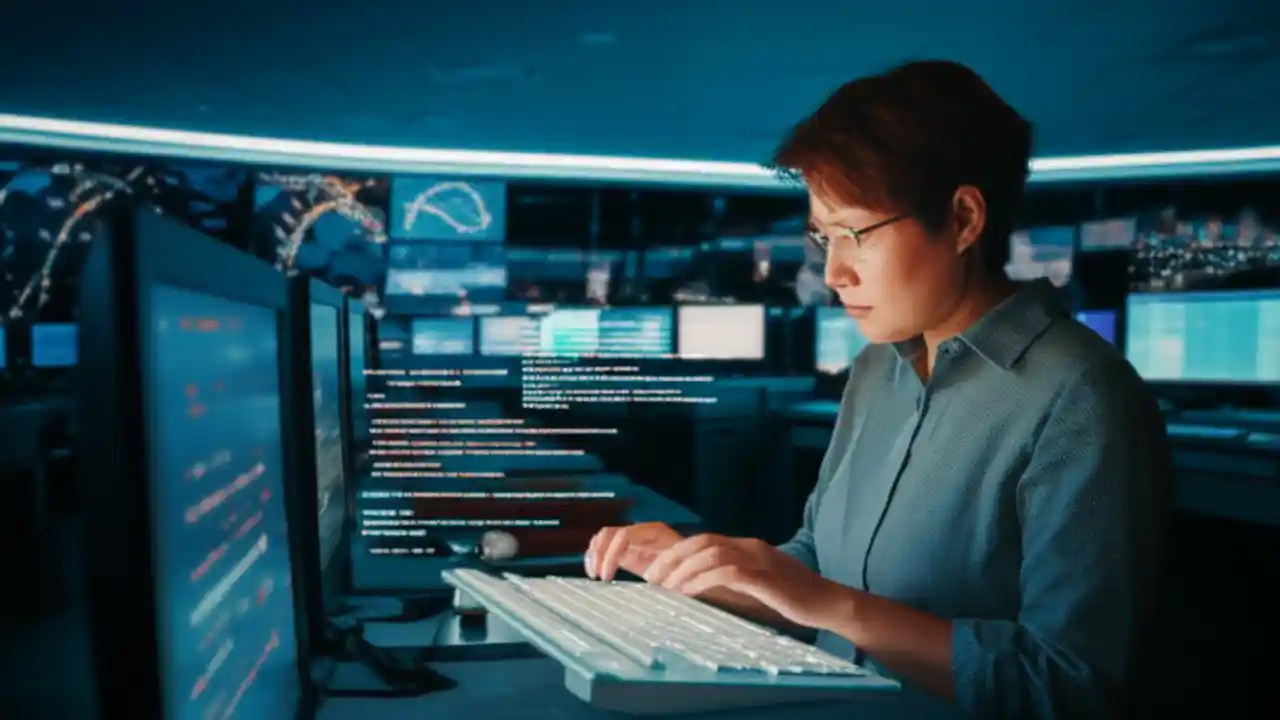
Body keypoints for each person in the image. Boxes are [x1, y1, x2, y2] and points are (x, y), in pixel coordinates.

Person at [584, 59, 1173, 719]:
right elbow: (817, 563)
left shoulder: (1082, 398)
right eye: (822, 238)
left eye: (854, 235)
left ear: (962, 218)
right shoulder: (877, 370)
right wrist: (707, 571)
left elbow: (1065, 686)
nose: (833, 272)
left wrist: (826, 604)